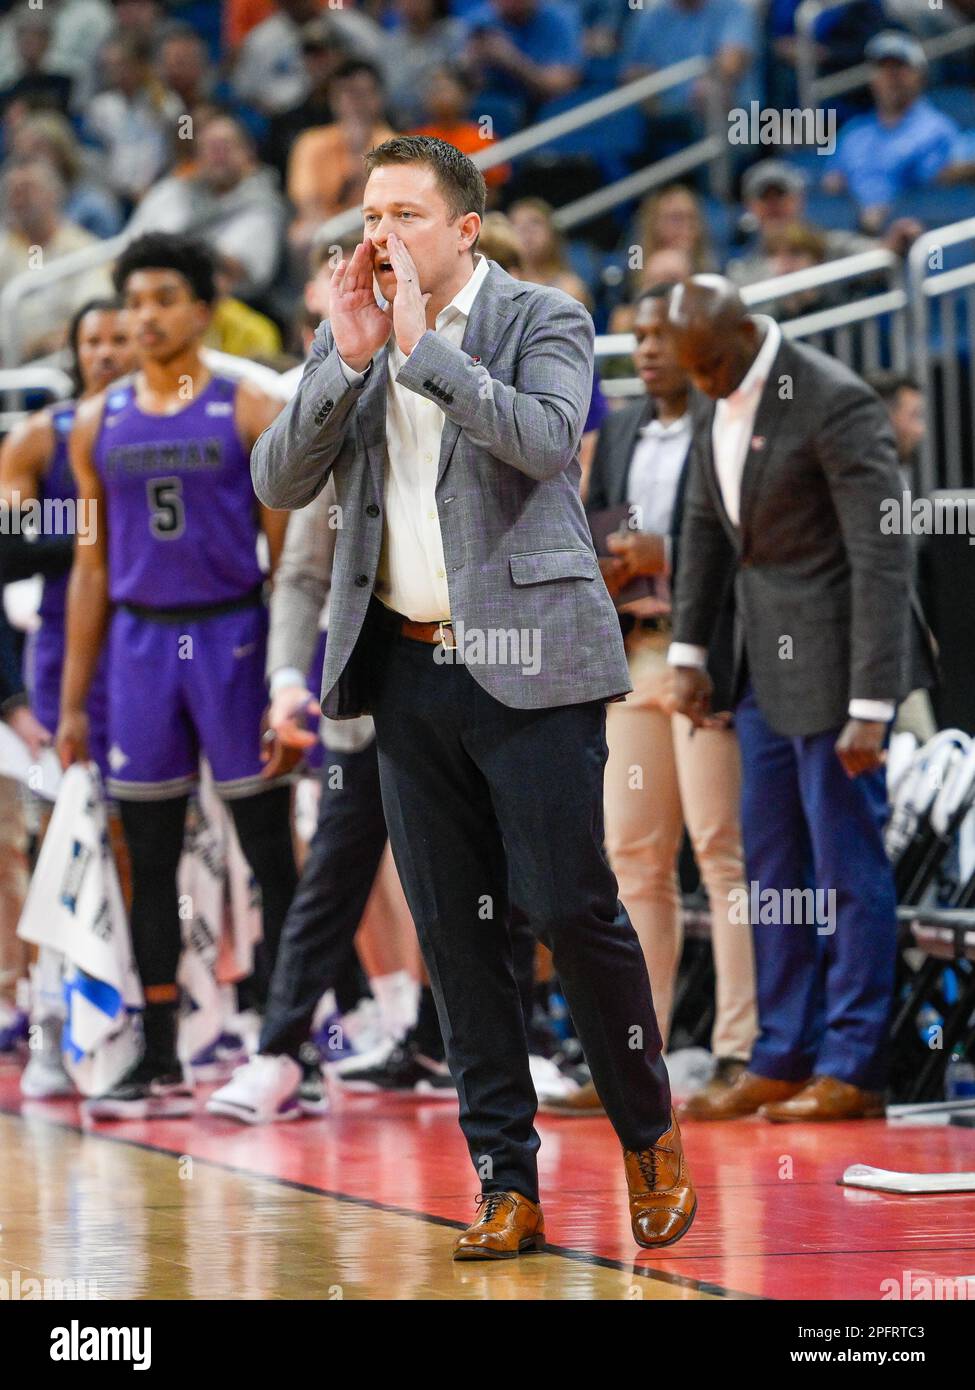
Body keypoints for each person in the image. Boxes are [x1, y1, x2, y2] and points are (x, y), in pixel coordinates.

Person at [251, 134, 695, 1258]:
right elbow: (276, 480)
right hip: (401, 665)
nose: (378, 236)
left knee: (566, 904)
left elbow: (545, 442)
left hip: (532, 659)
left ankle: (648, 1130)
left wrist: (421, 354)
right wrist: (351, 362)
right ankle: (506, 1178)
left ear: (464, 228)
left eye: (401, 214)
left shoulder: (545, 317)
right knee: (455, 931)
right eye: (367, 215)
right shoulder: (346, 325)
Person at [664, 274, 923, 1121]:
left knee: (847, 866)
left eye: (707, 364)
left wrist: (873, 704)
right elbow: (705, 532)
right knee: (771, 869)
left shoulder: (833, 400)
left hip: (840, 677)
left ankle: (853, 1066)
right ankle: (782, 1051)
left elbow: (883, 557)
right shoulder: (716, 393)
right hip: (759, 675)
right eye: (689, 369)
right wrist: (689, 650)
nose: (698, 381)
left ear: (744, 332)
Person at [56, 233, 299, 1120]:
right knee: (146, 856)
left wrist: (289, 675)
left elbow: (290, 562)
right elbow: (89, 566)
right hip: (140, 645)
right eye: (135, 300)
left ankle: (288, 1046)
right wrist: (76, 699)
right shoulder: (97, 422)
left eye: (165, 298)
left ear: (203, 310)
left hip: (234, 636)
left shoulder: (252, 407)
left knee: (270, 849)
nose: (146, 316)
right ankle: (158, 1054)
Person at [547, 285, 756, 1118]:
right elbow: (592, 530)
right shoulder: (625, 426)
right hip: (633, 652)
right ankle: (638, 1055)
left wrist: (662, 554)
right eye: (636, 337)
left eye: (664, 336)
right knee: (632, 857)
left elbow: (747, 539)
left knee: (721, 853)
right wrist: (607, 566)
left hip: (707, 656)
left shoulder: (729, 419)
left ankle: (741, 1050)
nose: (648, 350)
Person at [822, 31, 958, 232]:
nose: (891, 77)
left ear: (919, 75)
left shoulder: (937, 128)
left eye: (900, 68)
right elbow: (832, 183)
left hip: (915, 233)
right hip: (857, 237)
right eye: (883, 68)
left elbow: (939, 183)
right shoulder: (854, 132)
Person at [0, 159, 114, 360]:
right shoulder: (5, 248)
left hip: (59, 363)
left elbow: (95, 314)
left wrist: (41, 345)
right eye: (12, 192)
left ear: (53, 195)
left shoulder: (82, 249)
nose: (18, 200)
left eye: (27, 190)